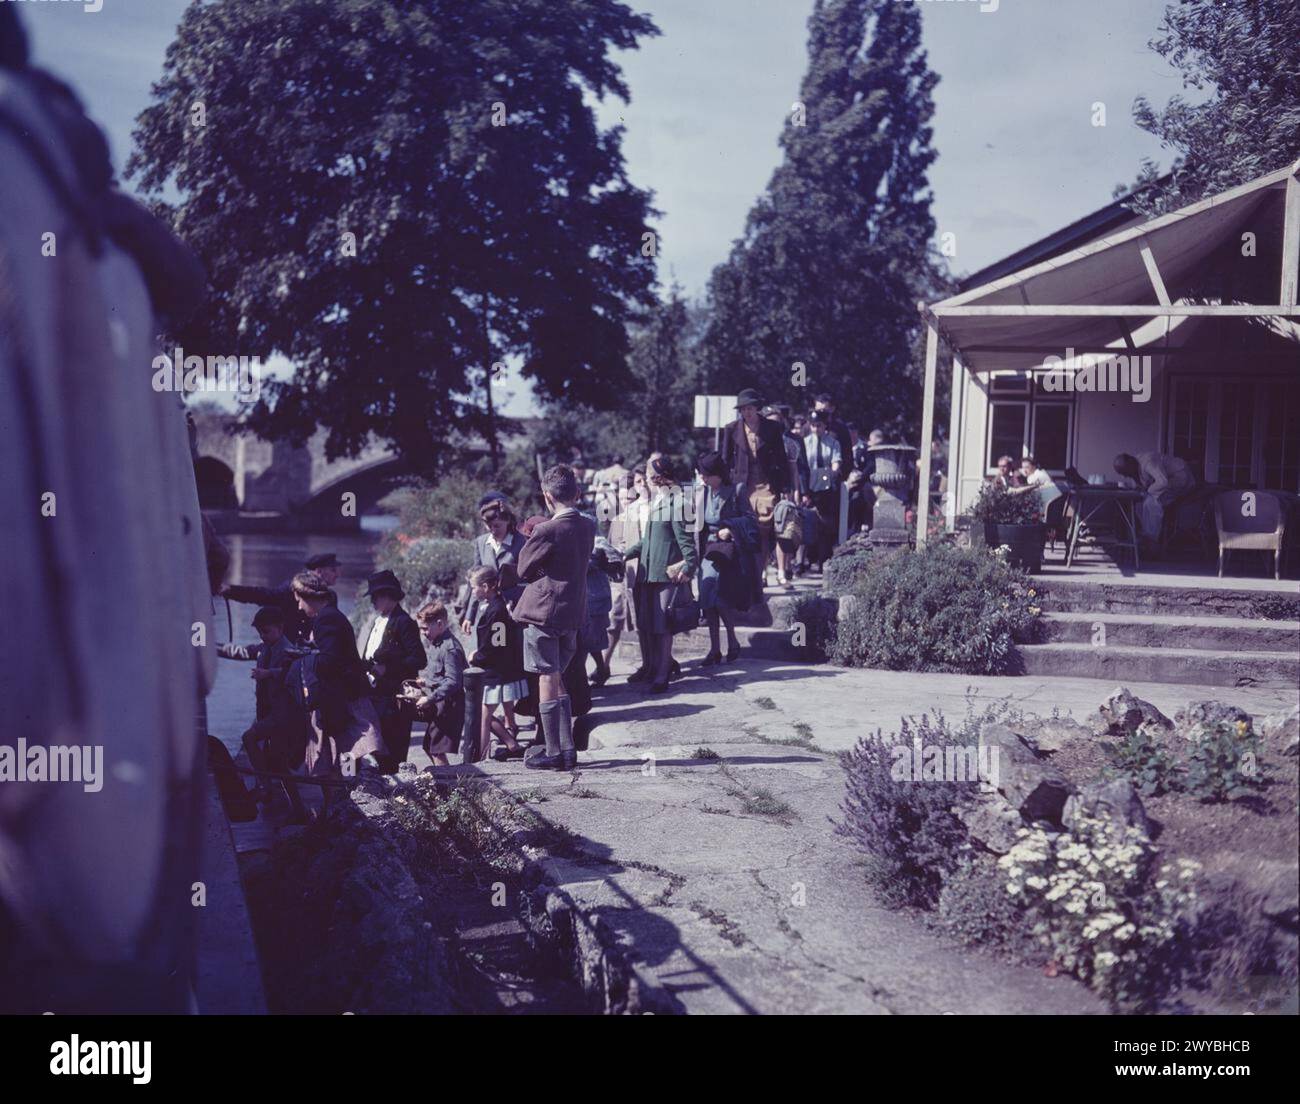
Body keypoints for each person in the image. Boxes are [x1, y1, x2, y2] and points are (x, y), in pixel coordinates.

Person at [511, 465, 596, 771]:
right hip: (573, 612)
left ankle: (552, 751)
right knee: (558, 673)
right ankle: (568, 748)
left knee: (546, 676)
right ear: (578, 493)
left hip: (545, 612)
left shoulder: (546, 530)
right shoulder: (588, 526)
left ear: (547, 496)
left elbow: (523, 568)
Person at [289, 570, 384, 800]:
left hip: (344, 700)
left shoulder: (326, 618)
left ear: (309, 597)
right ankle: (346, 800)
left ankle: (347, 803)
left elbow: (331, 660)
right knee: (345, 754)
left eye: (300, 601)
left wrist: (305, 657)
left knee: (347, 751)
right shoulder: (331, 615)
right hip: (344, 697)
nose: (300, 608)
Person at [217, 606, 309, 819]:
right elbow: (240, 652)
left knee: (249, 738)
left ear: (280, 628)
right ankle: (297, 809)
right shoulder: (264, 647)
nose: (263, 636)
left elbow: (293, 670)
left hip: (283, 716)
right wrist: (209, 647)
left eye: (266, 631)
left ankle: (264, 785)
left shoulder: (287, 650)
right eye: (260, 633)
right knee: (280, 764)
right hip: (270, 714)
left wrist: (268, 673)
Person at [621, 457, 698, 693]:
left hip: (666, 575)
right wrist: (625, 553)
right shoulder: (660, 500)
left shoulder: (678, 503)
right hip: (648, 573)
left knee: (663, 628)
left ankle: (663, 673)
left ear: (658, 476)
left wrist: (688, 568)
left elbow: (688, 546)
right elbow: (648, 540)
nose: (644, 477)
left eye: (647, 472)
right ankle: (658, 667)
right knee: (651, 626)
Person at [721, 388, 792, 590]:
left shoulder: (772, 428)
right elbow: (725, 461)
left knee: (763, 531)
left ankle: (760, 574)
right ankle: (748, 576)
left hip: (766, 485)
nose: (747, 413)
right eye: (743, 409)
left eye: (750, 408)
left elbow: (781, 459)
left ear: (757, 408)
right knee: (744, 532)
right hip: (742, 487)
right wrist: (725, 488)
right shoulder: (731, 429)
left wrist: (785, 486)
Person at [359, 570, 426, 773]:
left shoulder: (403, 622)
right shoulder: (379, 620)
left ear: (388, 595)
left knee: (393, 748)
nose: (372, 602)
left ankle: (396, 794)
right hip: (374, 693)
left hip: (393, 698)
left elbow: (419, 659)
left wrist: (388, 668)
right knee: (374, 745)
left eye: (375, 597)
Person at [693, 452, 756, 664]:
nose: (703, 479)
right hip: (707, 552)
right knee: (707, 600)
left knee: (720, 599)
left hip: (727, 553)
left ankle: (732, 640)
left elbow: (749, 520)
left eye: (706, 475)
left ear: (718, 475)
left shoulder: (736, 490)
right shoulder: (701, 493)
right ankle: (715, 649)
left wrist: (730, 528)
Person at [465, 566, 528, 762]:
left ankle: (482, 758)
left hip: (497, 672)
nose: (472, 592)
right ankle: (511, 744)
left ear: (485, 587)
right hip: (497, 670)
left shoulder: (497, 610)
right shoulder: (494, 606)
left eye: (473, 588)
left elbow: (497, 645)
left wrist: (476, 657)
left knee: (483, 714)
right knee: (485, 712)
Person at [223, 551, 340, 646]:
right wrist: (230, 590)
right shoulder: (293, 588)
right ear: (319, 571)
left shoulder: (331, 596)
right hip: (287, 653)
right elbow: (263, 595)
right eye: (333, 570)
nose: (337, 574)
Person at [411, 601, 465, 768]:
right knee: (429, 745)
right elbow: (441, 675)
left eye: (425, 628)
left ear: (440, 624)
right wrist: (426, 682)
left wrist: (429, 698)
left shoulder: (450, 648)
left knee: (436, 748)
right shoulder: (437, 642)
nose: (423, 633)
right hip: (440, 704)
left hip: (449, 705)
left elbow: (453, 681)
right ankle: (447, 780)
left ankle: (447, 785)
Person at [460, 501, 527, 629]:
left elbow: (527, 580)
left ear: (507, 520)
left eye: (497, 526)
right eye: (488, 526)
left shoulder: (521, 542)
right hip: (487, 611)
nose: (493, 531)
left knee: (504, 645)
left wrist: (512, 601)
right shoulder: (481, 542)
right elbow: (475, 581)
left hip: (512, 611)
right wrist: (469, 615)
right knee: (489, 646)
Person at [604, 470, 642, 678]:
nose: (625, 502)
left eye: (628, 498)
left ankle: (652, 663)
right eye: (621, 499)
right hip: (619, 579)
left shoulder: (643, 517)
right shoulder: (617, 520)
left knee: (642, 622)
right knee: (613, 621)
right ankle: (604, 665)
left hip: (639, 576)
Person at [1114, 451, 1197, 547]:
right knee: (1141, 502)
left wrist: (1147, 490)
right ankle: (1143, 534)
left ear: (1130, 464)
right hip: (1169, 479)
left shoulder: (1149, 462)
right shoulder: (1134, 465)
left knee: (1151, 501)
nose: (1124, 476)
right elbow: (1144, 483)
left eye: (1124, 472)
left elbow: (1163, 482)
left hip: (1181, 478)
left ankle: (1151, 540)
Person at [802, 410, 843, 571]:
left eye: (818, 425)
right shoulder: (805, 442)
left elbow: (836, 462)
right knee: (807, 523)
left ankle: (823, 560)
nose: (816, 429)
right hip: (809, 485)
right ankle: (803, 561)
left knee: (825, 525)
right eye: (813, 425)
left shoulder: (833, 442)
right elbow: (802, 465)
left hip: (825, 486)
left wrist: (833, 472)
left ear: (824, 425)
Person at [813, 393, 854, 475]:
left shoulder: (840, 429)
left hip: (835, 474)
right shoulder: (808, 428)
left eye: (824, 410)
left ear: (832, 409)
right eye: (818, 411)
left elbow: (847, 455)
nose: (821, 414)